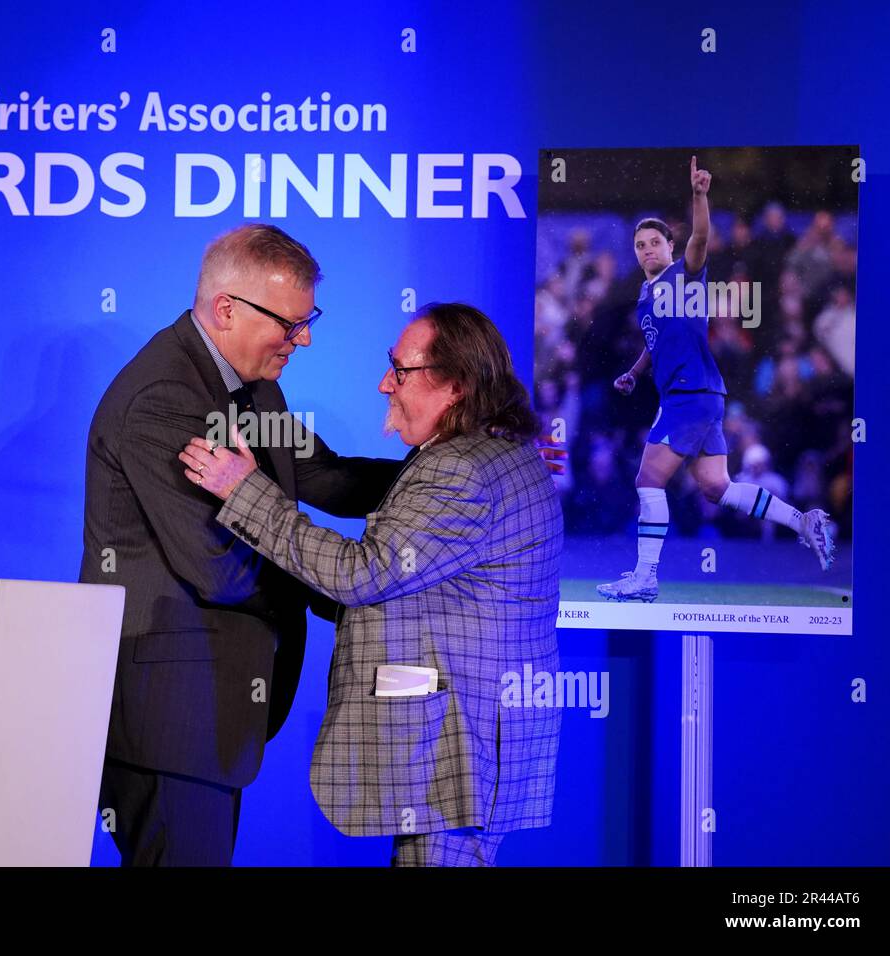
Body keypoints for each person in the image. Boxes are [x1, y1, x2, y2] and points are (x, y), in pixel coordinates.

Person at [181, 303, 563, 867]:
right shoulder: (489, 455)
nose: (385, 382)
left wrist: (243, 492)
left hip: (457, 746)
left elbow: (361, 576)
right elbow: (405, 583)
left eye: (400, 370)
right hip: (476, 741)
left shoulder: (459, 470)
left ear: (454, 385)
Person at [79, 224, 404, 866]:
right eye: (291, 323)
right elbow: (219, 569)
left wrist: (449, 467)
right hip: (168, 713)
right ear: (226, 309)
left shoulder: (252, 383)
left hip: (206, 709)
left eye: (309, 320)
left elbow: (319, 475)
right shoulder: (164, 399)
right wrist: (345, 580)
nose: (303, 338)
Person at [598, 157, 834, 603]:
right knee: (716, 487)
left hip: (688, 396)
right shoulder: (647, 295)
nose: (647, 250)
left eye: (655, 242)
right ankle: (803, 522)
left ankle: (645, 576)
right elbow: (658, 343)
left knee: (648, 481)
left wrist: (700, 196)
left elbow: (701, 237)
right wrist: (633, 372)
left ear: (671, 247)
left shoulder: (683, 274)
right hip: (704, 398)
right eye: (640, 245)